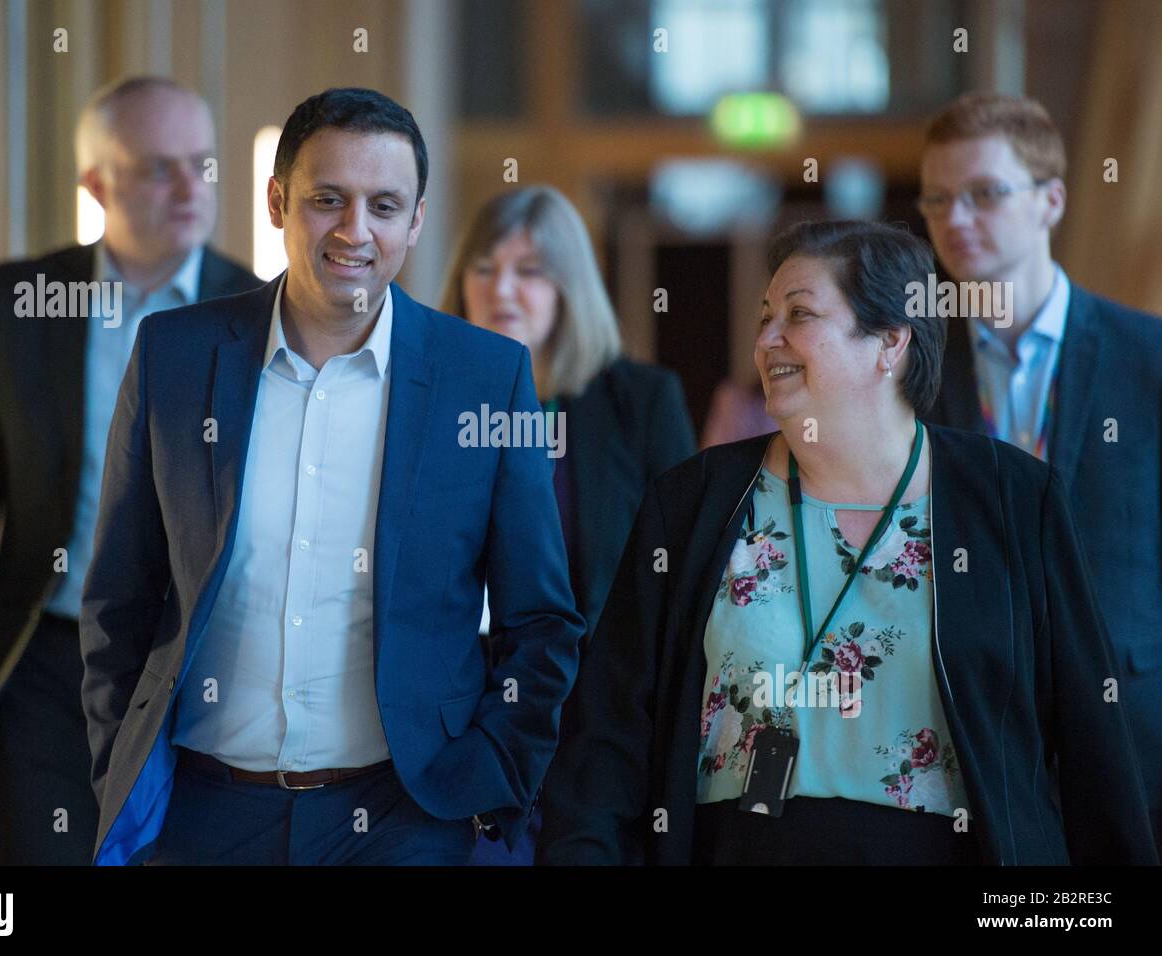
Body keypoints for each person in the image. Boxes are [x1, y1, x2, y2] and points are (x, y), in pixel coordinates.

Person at [538, 219, 1157, 865]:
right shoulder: (692, 502)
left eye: (799, 314)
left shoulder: (1011, 498)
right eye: (765, 316)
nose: (766, 339)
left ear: (890, 342)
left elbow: (1093, 746)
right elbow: (607, 737)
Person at [79, 87, 584, 866]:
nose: (356, 231)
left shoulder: (484, 378)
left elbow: (541, 622)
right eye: (327, 200)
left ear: (416, 221)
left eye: (385, 206)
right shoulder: (175, 356)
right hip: (204, 817)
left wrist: (489, 775)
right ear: (278, 200)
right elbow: (119, 596)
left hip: (404, 817)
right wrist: (120, 759)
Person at [0, 75, 260, 865]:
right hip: (47, 672)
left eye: (200, 163)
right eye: (157, 167)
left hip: (200, 672)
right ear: (96, 184)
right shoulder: (23, 301)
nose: (188, 186)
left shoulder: (261, 309)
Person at [919, 92, 1162, 851]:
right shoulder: (911, 372)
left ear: (1052, 199)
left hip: (1135, 728)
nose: (955, 219)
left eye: (984, 194)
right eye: (936, 199)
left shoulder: (1148, 358)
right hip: (966, 736)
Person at [439, 185, 695, 863]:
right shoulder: (428, 402)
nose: (503, 290)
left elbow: (682, 579)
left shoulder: (640, 401)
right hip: (456, 720)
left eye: (531, 271)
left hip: (598, 723)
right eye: (485, 268)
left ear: (569, 289)